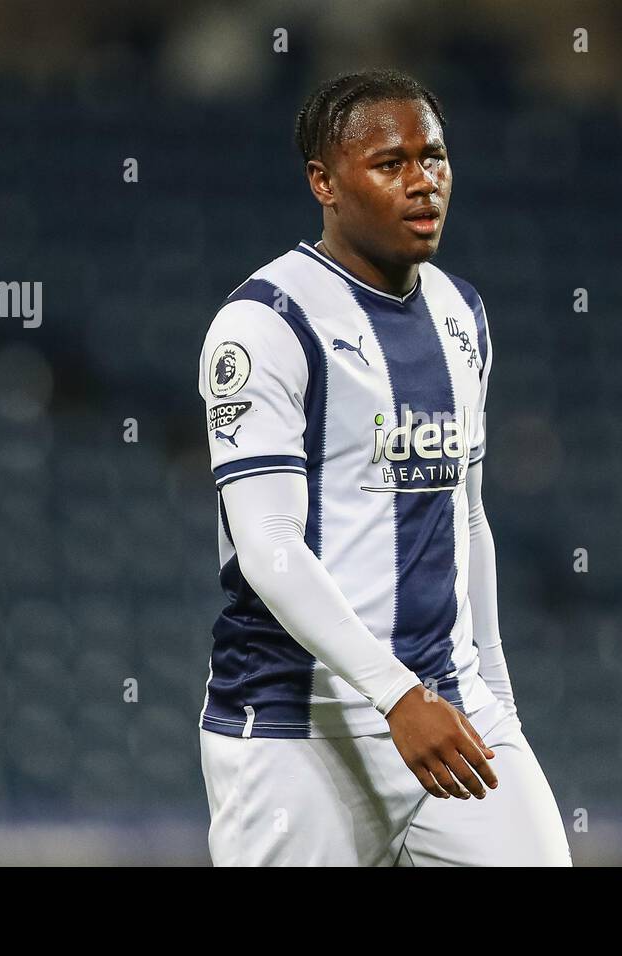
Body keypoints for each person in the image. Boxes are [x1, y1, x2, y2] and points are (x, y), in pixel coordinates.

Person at [196, 68, 571, 866]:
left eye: (433, 158)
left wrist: (494, 699)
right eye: (390, 163)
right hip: (301, 727)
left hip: (449, 708)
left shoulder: (460, 312)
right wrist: (397, 695)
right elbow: (267, 545)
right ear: (323, 182)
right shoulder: (266, 323)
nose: (422, 183)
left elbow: (466, 516)